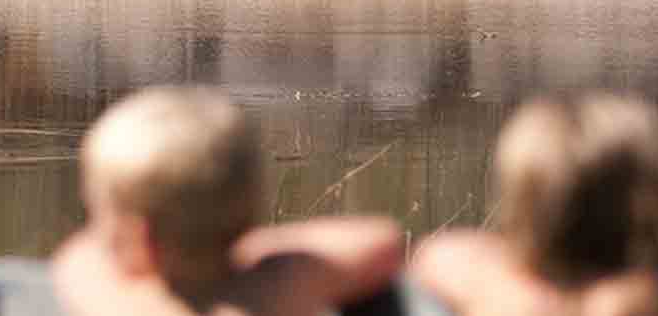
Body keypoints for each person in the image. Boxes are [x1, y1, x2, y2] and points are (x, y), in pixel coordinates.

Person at [411, 93, 658, 316]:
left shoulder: (493, 289)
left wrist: (519, 257)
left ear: (520, 199)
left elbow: (436, 252)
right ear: (650, 199)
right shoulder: (655, 293)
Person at [53, 85, 405, 316]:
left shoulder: (120, 302)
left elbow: (78, 257)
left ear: (143, 238)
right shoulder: (276, 289)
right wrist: (237, 245)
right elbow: (381, 240)